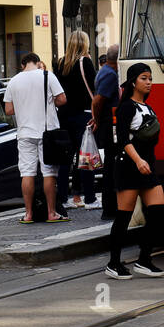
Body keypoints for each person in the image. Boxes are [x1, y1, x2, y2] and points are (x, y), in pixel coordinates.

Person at [105, 62, 164, 279]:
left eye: (150, 78)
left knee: (158, 211)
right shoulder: (126, 107)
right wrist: (138, 160)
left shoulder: (148, 107)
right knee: (123, 216)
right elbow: (122, 140)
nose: (149, 82)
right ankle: (113, 263)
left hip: (147, 167)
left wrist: (146, 161)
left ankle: (144, 259)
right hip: (129, 167)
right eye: (144, 78)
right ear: (133, 82)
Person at [3, 52, 69, 223]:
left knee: (27, 173)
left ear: (22, 65)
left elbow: (8, 110)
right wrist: (46, 103)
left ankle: (28, 214)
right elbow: (62, 99)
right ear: (38, 62)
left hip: (24, 133)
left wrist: (25, 106)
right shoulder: (47, 75)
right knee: (48, 173)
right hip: (47, 133)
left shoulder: (14, 81)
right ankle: (51, 213)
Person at [56, 30, 99, 211]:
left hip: (64, 115)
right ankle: (89, 198)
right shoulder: (85, 62)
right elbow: (94, 88)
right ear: (85, 44)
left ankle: (63, 198)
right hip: (84, 114)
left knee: (65, 160)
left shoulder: (60, 63)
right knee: (86, 158)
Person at [92, 45, 121, 221]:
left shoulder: (103, 71)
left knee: (111, 164)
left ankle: (110, 206)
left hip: (106, 123)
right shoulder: (110, 74)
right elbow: (97, 100)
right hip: (109, 124)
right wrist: (97, 118)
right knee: (112, 164)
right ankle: (110, 207)